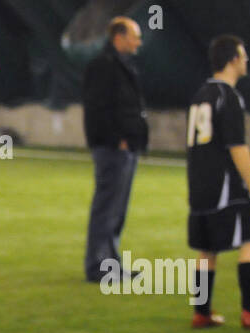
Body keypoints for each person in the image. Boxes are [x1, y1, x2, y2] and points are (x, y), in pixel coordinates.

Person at [186, 36, 250, 330]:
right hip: (225, 185)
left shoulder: (201, 94)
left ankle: (202, 312)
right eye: (244, 55)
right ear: (232, 60)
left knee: (207, 248)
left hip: (199, 184)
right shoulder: (229, 96)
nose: (246, 60)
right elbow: (237, 146)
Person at [82, 16, 147, 282]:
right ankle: (97, 265)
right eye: (134, 35)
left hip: (126, 146)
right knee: (107, 207)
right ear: (118, 37)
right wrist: (115, 139)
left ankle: (111, 263)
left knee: (117, 209)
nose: (138, 41)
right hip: (113, 148)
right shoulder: (103, 66)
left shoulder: (121, 65)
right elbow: (97, 108)